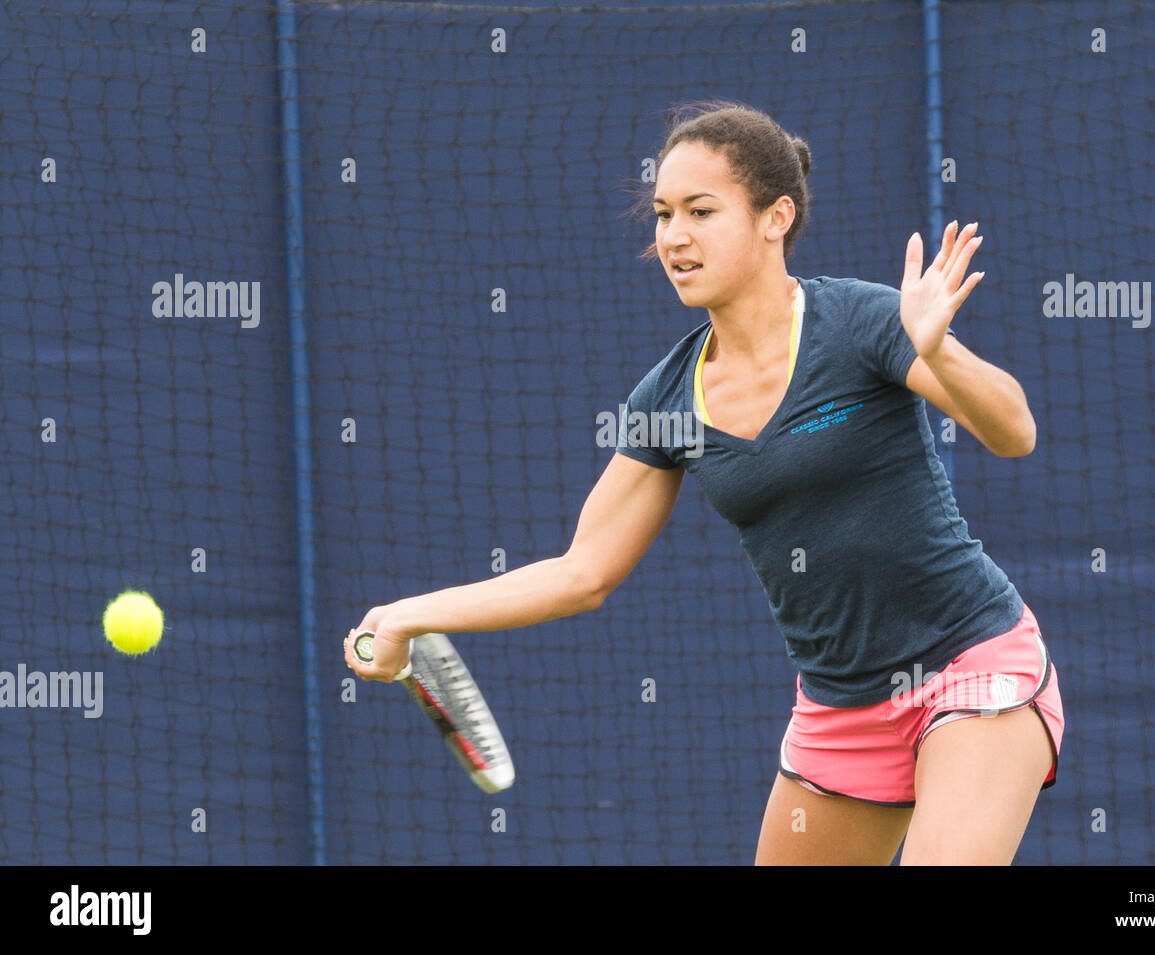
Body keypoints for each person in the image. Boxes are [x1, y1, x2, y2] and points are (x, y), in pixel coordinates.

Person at [344, 100, 1064, 866]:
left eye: (701, 210)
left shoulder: (860, 323)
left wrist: (939, 350)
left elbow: (1014, 431)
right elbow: (581, 572)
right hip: (840, 709)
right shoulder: (667, 401)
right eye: (662, 214)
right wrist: (408, 616)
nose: (673, 236)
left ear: (774, 217)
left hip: (968, 668)